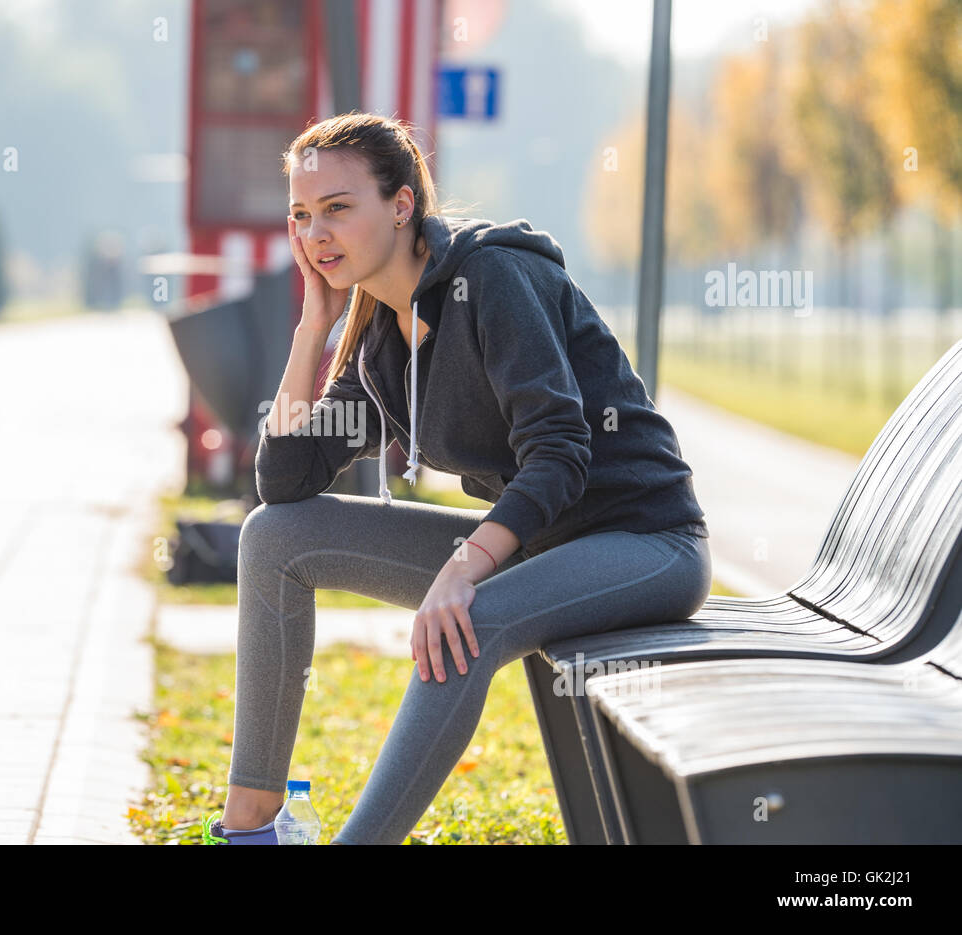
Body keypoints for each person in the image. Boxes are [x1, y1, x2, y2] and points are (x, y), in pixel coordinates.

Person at [205, 111, 712, 845]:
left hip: (645, 543)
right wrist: (312, 328)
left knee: (464, 619)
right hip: (535, 549)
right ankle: (250, 823)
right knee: (274, 536)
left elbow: (561, 451)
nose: (317, 234)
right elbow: (285, 483)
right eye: (302, 215)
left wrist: (463, 566)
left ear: (403, 203)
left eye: (339, 209)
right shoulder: (379, 333)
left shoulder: (494, 277)